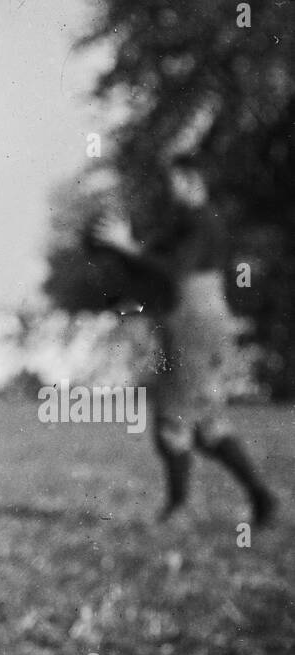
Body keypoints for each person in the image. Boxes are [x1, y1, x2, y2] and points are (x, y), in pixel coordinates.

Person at [86, 155, 277, 528]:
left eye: (172, 181)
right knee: (207, 427)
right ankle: (262, 498)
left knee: (171, 420)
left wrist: (125, 246)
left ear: (191, 180)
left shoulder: (200, 223)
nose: (167, 188)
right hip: (199, 326)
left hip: (194, 329)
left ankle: (178, 511)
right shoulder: (187, 224)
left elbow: (174, 272)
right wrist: (119, 248)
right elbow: (153, 271)